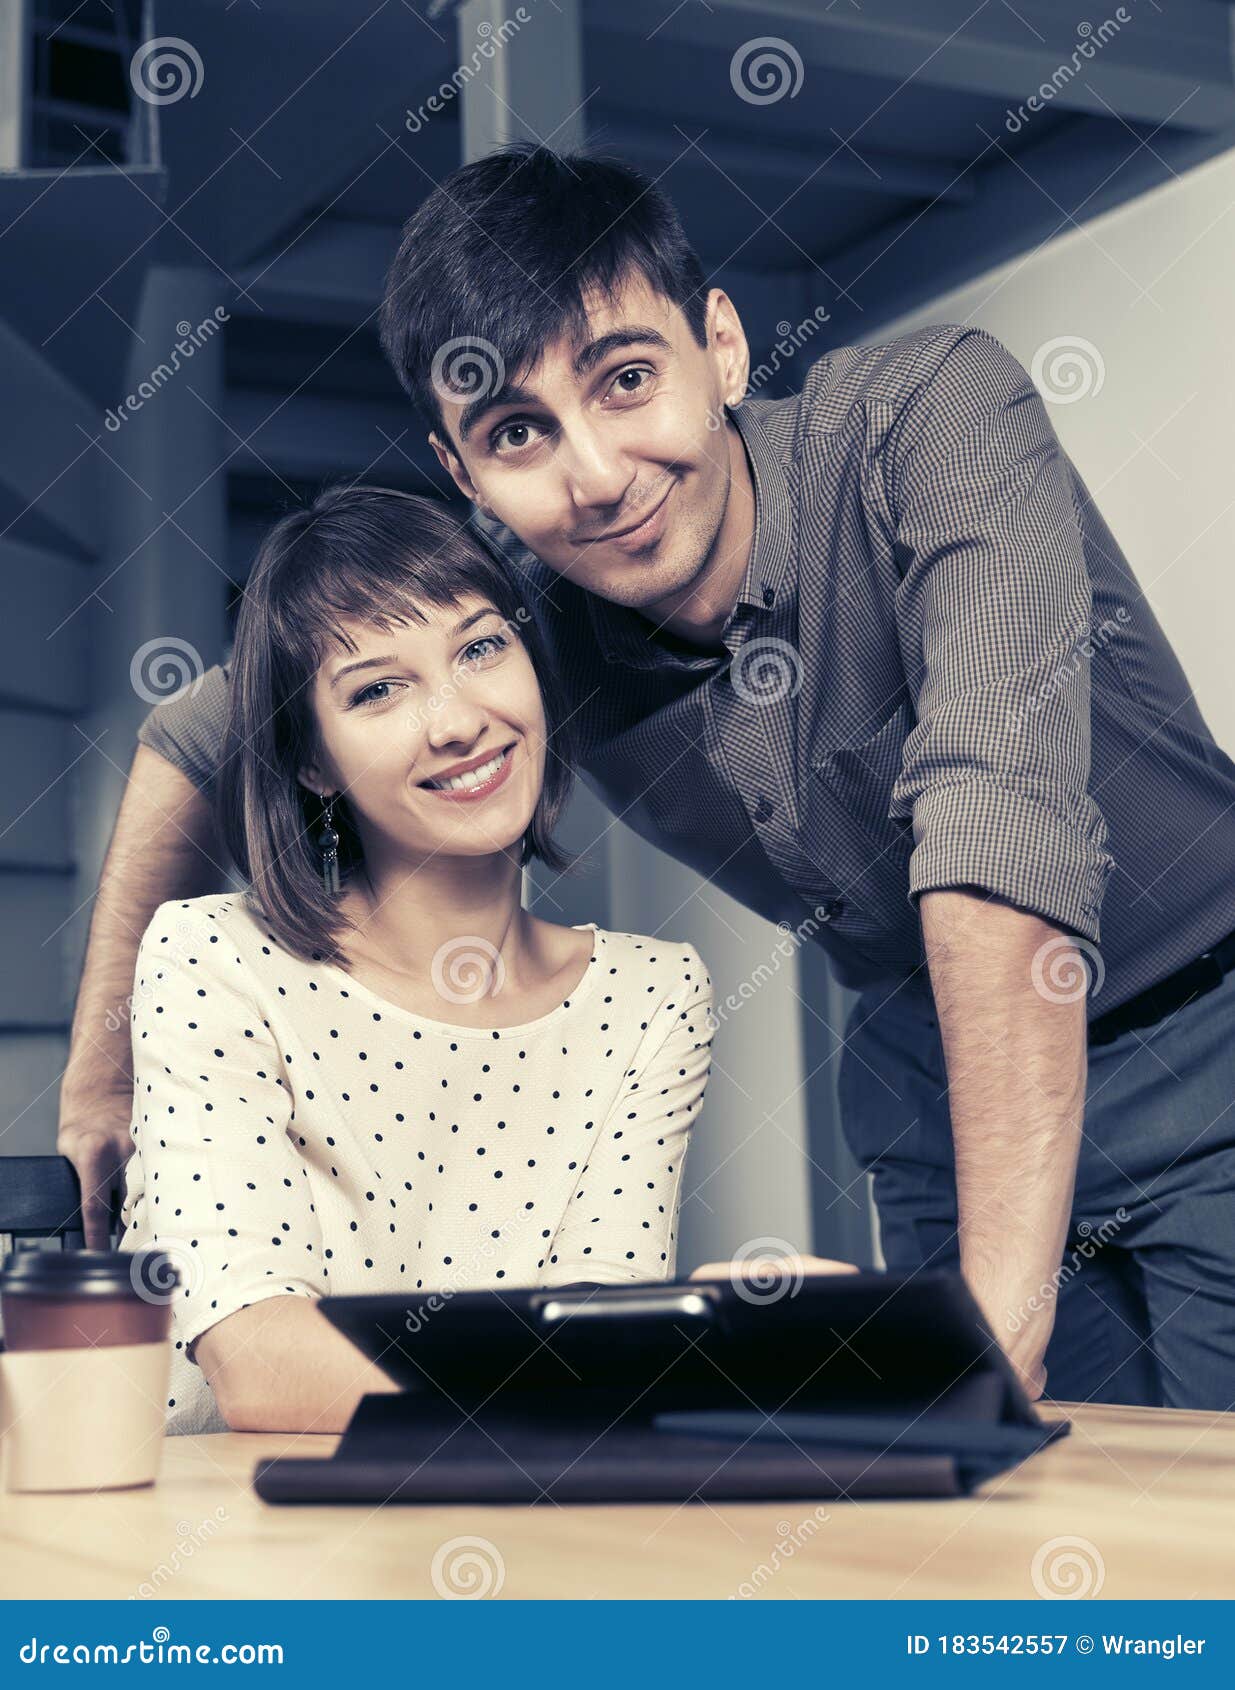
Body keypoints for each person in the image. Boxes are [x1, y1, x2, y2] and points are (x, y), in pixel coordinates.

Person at [67, 144, 1235, 1411]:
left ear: (719, 346)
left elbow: (993, 811)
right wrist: (105, 1078)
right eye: (518, 433)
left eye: (625, 379)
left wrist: (994, 1324)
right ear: (462, 474)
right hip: (932, 1088)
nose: (597, 477)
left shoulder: (929, 417)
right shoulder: (507, 621)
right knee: (1015, 1507)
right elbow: (198, 737)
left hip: (1208, 1037)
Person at [116, 485, 713, 1433]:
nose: (456, 721)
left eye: (479, 648)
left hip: (507, 1514)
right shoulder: (212, 960)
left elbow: (603, 1341)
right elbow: (261, 1365)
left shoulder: (652, 996)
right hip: (231, 1517)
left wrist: (730, 1342)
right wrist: (624, 1371)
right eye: (377, 690)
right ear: (312, 761)